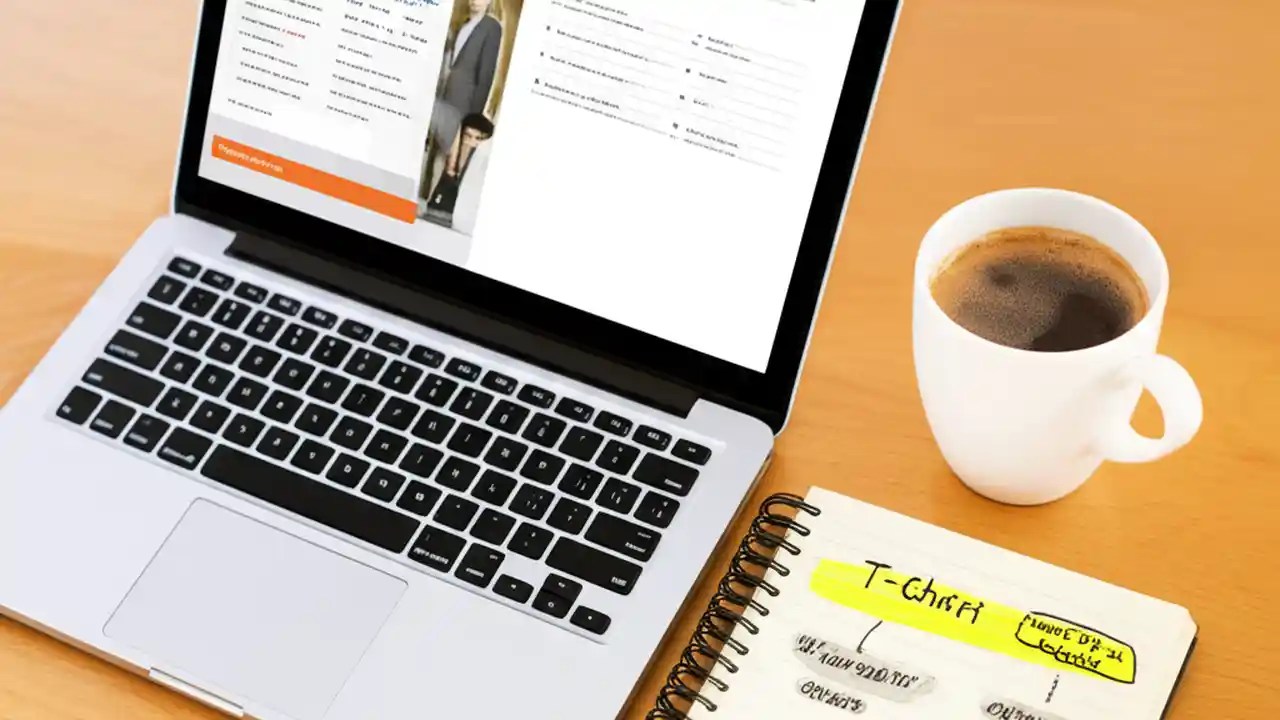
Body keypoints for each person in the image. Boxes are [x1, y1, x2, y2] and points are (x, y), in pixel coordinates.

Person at [430, 0, 502, 158]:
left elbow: (485, 77)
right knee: (432, 157)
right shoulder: (462, 25)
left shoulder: (491, 27)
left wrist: (472, 121)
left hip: (462, 108)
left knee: (448, 162)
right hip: (443, 101)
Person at [424, 113, 495, 229]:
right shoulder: (444, 157)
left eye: (478, 138)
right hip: (430, 215)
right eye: (468, 136)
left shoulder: (482, 166)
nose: (472, 143)